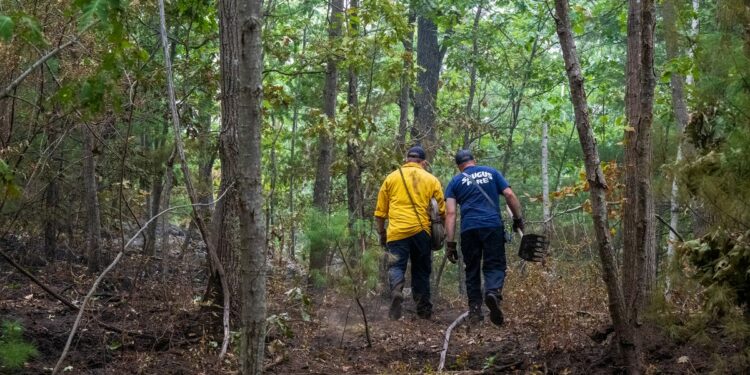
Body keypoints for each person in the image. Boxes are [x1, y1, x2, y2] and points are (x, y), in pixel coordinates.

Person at [444, 150, 524, 326]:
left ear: (458, 166)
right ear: (474, 160)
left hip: (469, 229)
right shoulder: (492, 172)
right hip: (492, 226)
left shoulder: (455, 181)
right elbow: (509, 195)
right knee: (494, 263)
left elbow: (450, 213)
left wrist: (450, 243)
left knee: (471, 268)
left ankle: (474, 311)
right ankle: (493, 292)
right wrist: (518, 219)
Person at [374, 145, 446, 320]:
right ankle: (423, 310)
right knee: (421, 270)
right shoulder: (431, 179)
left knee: (396, 266)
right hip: (422, 231)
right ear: (423, 162)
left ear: (406, 160)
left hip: (397, 232)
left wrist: (382, 233)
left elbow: (380, 213)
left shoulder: (390, 179)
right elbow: (442, 210)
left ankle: (397, 291)